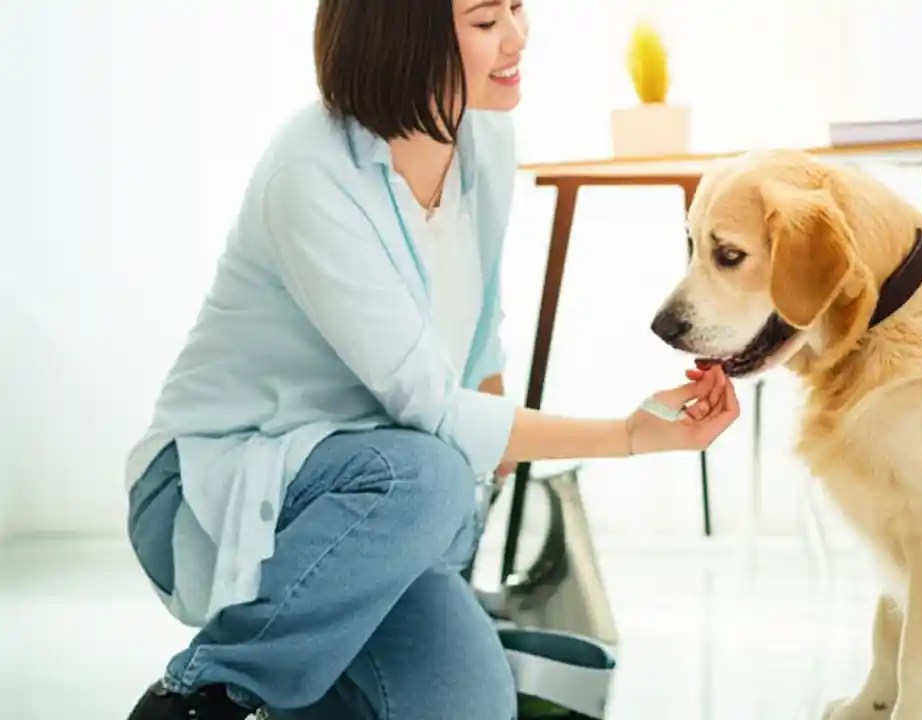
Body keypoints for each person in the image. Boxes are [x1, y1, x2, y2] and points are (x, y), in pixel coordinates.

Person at [122, 1, 739, 718]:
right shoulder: (311, 173)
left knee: (473, 703)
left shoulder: (484, 137)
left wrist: (487, 482)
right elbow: (432, 409)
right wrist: (629, 436)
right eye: (485, 23)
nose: (516, 36)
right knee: (428, 473)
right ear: (402, 36)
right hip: (213, 486)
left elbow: (478, 336)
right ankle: (205, 692)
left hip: (376, 501)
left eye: (516, 7)